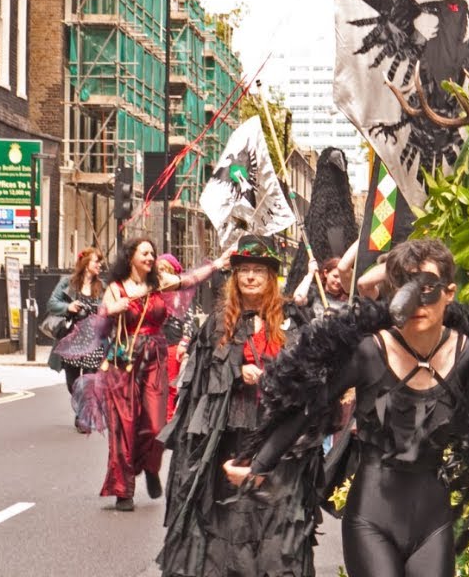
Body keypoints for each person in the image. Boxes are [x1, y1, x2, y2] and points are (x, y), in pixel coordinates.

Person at [224, 238, 469, 577]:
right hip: (371, 520)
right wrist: (259, 464)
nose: (417, 302)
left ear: (449, 292)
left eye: (427, 287)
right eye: (404, 287)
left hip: (433, 524)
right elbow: (308, 404)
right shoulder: (369, 351)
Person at [157, 234, 316, 576]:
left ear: (272, 277)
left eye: (259, 270)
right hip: (228, 436)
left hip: (277, 441)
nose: (250, 277)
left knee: (274, 527)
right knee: (226, 522)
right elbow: (199, 386)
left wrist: (272, 377)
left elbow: (307, 378)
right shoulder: (217, 323)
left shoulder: (292, 320)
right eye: (243, 269)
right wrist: (233, 372)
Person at [96, 236, 228, 511]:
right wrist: (110, 310)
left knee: (156, 424)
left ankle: (150, 465)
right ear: (130, 256)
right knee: (125, 425)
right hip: (124, 361)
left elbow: (190, 279)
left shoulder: (158, 284)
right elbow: (99, 326)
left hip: (155, 357)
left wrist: (217, 264)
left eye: (152, 253)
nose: (149, 257)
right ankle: (124, 490)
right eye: (144, 253)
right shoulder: (116, 288)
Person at [47, 247, 106, 396]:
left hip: (94, 344)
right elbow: (52, 303)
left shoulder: (102, 286)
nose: (100, 265)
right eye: (97, 261)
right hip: (73, 342)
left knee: (90, 387)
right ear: (86, 263)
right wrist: (69, 306)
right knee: (72, 385)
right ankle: (81, 409)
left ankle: (83, 415)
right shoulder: (68, 283)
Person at [154, 253, 189, 421]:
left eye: (164, 270)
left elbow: (188, 321)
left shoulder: (180, 295)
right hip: (152, 343)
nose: (161, 274)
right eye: (158, 270)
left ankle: (168, 418)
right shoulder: (151, 292)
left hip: (173, 343)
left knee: (170, 383)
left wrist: (184, 342)